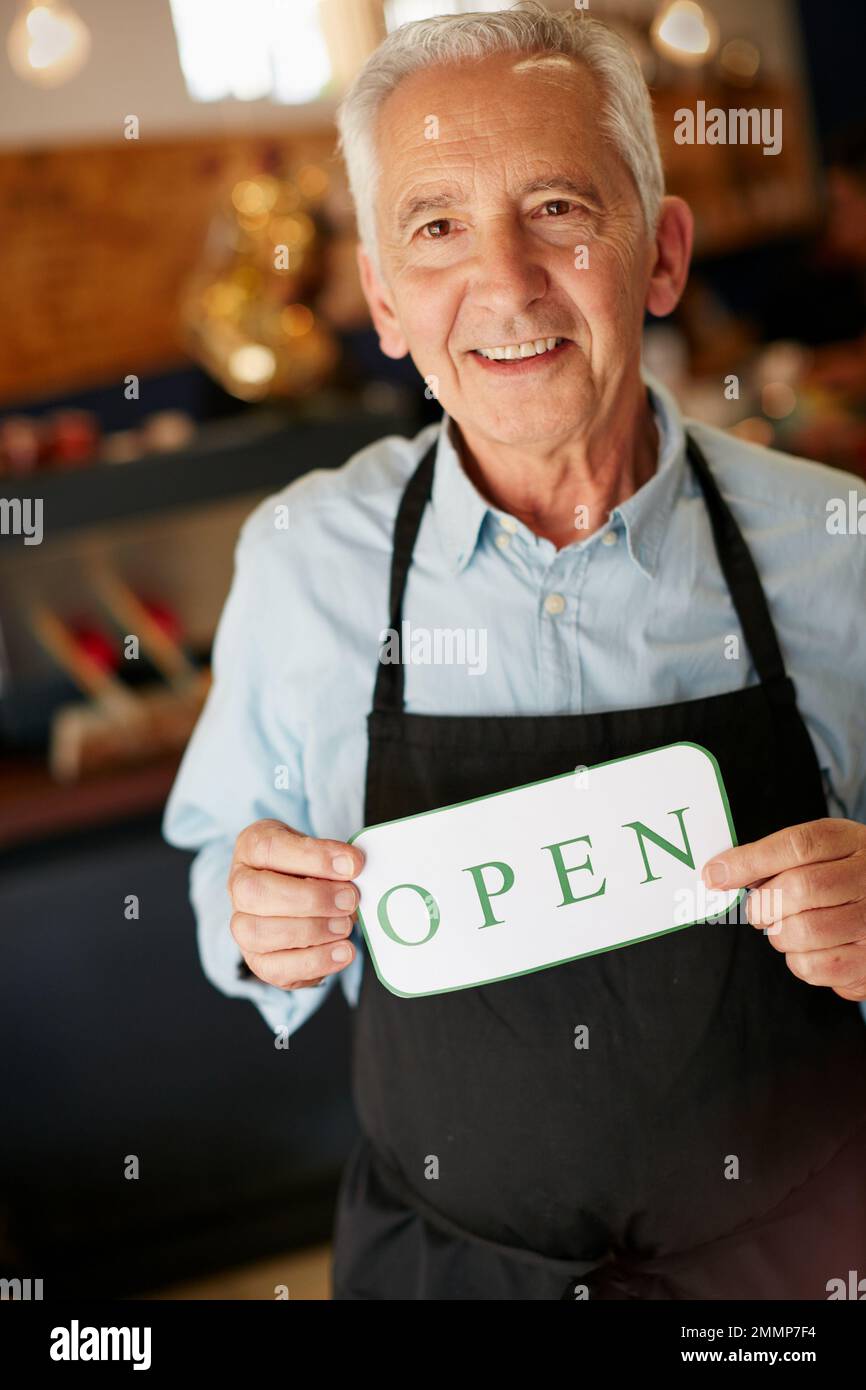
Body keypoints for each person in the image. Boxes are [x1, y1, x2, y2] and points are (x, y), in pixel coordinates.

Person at [163, 7, 866, 1300]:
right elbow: (224, 852)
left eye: (555, 208)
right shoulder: (304, 564)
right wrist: (254, 920)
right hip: (444, 1268)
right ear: (381, 296)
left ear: (658, 256)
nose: (504, 281)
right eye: (434, 227)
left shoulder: (838, 547)